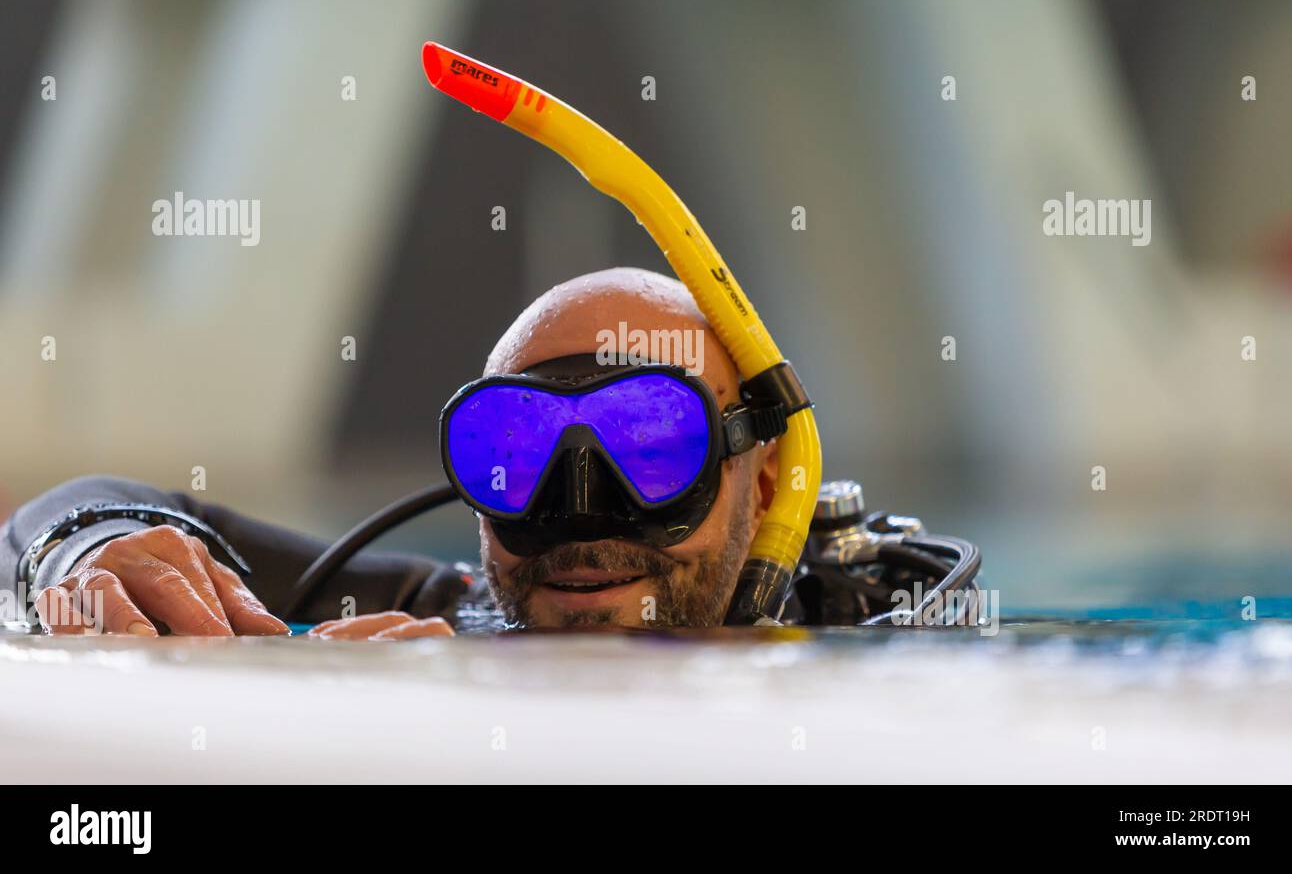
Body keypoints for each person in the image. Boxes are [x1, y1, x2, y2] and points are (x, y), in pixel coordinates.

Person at [1, 268, 780, 640]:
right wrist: (86, 551)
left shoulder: (849, 615)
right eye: (517, 452)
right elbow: (100, 509)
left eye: (651, 449)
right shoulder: (446, 619)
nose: (580, 514)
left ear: (766, 484)